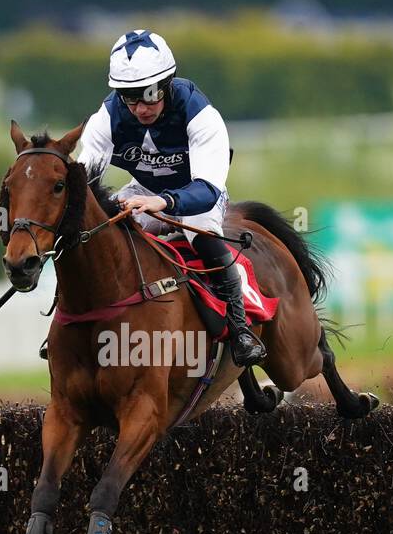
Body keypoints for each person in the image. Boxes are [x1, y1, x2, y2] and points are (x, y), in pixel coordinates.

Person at [75, 30, 266, 366]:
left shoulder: (200, 114)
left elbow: (208, 189)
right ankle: (76, 328)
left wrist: (163, 202)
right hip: (142, 192)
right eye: (129, 98)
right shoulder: (106, 118)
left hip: (197, 194)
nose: (140, 108)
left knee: (200, 235)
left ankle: (240, 329)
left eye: (149, 95)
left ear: (167, 84)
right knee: (97, 234)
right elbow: (83, 184)